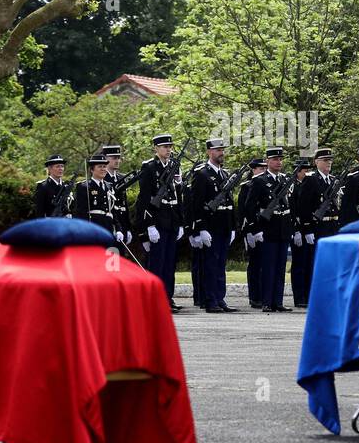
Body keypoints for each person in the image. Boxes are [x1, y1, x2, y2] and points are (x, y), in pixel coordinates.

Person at [135, 134, 185, 311]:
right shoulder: (149, 167)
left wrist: (180, 222)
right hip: (157, 219)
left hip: (171, 219)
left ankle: (167, 297)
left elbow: (178, 197)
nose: (168, 150)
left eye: (170, 146)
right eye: (164, 147)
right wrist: (149, 225)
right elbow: (144, 199)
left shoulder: (173, 165)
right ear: (156, 148)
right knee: (157, 262)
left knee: (169, 263)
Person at [189, 137, 238, 313]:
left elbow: (230, 202)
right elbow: (196, 204)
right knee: (210, 264)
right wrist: (200, 228)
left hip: (224, 225)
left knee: (220, 265)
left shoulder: (224, 174)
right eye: (218, 150)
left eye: (222, 150)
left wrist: (232, 226)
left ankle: (220, 298)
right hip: (211, 226)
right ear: (209, 152)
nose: (221, 153)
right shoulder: (201, 174)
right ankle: (210, 300)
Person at [244, 147, 294, 312]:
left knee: (280, 267)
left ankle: (278, 302)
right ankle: (266, 301)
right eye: (274, 159)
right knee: (268, 267)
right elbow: (249, 207)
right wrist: (255, 229)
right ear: (267, 161)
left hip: (283, 227)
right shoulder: (259, 181)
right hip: (268, 228)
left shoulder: (285, 179)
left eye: (280, 159)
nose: (278, 162)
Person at [293, 147, 341, 307]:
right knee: (315, 264)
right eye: (325, 161)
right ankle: (312, 297)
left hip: (332, 226)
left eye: (330, 161)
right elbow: (303, 206)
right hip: (318, 228)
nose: (328, 164)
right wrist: (307, 229)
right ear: (316, 162)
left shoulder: (333, 180)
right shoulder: (311, 179)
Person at [73, 154, 124, 244]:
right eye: (99, 167)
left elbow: (113, 211)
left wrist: (118, 229)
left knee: (110, 255)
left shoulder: (109, 186)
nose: (103, 169)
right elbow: (80, 212)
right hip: (93, 227)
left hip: (109, 228)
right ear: (92, 169)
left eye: (104, 166)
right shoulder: (84, 186)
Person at [239, 157, 266, 308]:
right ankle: (255, 297)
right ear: (253, 170)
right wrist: (249, 231)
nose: (263, 170)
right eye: (260, 168)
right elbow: (244, 211)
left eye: (264, 167)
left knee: (264, 264)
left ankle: (263, 294)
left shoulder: (267, 183)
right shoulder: (247, 186)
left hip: (265, 228)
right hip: (252, 229)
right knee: (255, 264)